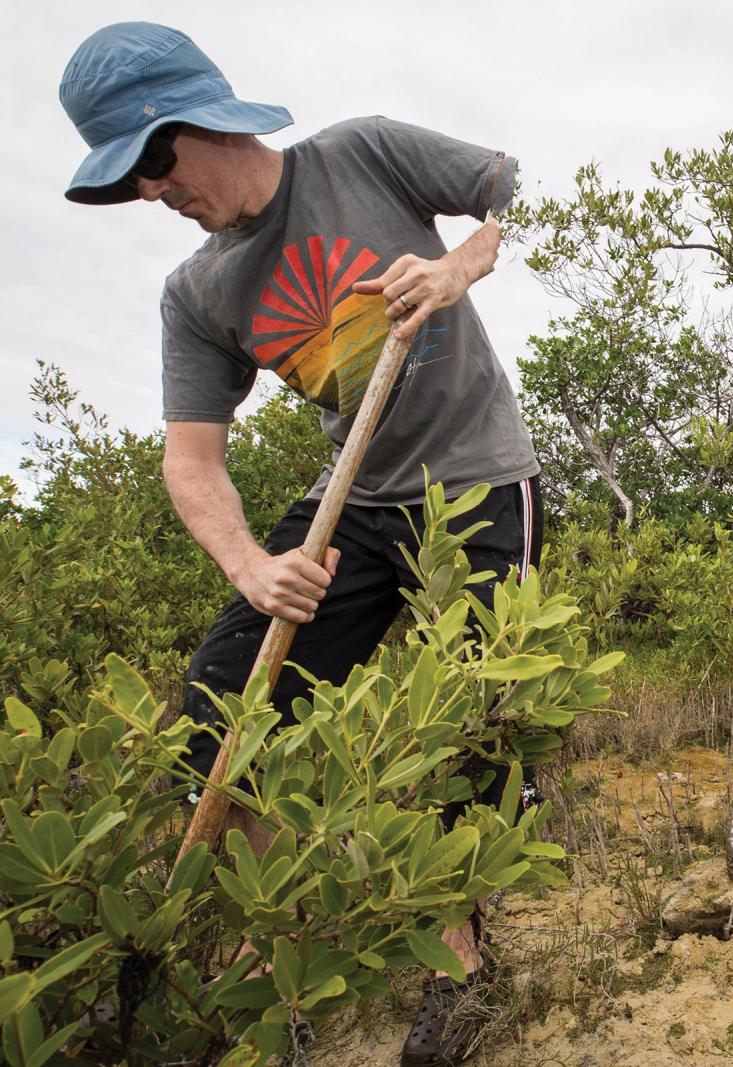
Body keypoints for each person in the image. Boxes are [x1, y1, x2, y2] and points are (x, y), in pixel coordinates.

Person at [60, 22, 539, 1064]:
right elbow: (191, 463)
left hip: (481, 478)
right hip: (355, 497)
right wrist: (253, 567)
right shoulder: (195, 294)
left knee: (478, 718)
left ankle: (460, 964)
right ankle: (268, 962)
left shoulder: (361, 152)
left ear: (198, 121)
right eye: (124, 182)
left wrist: (461, 262)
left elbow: (514, 188)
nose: (149, 194)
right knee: (226, 694)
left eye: (149, 163)